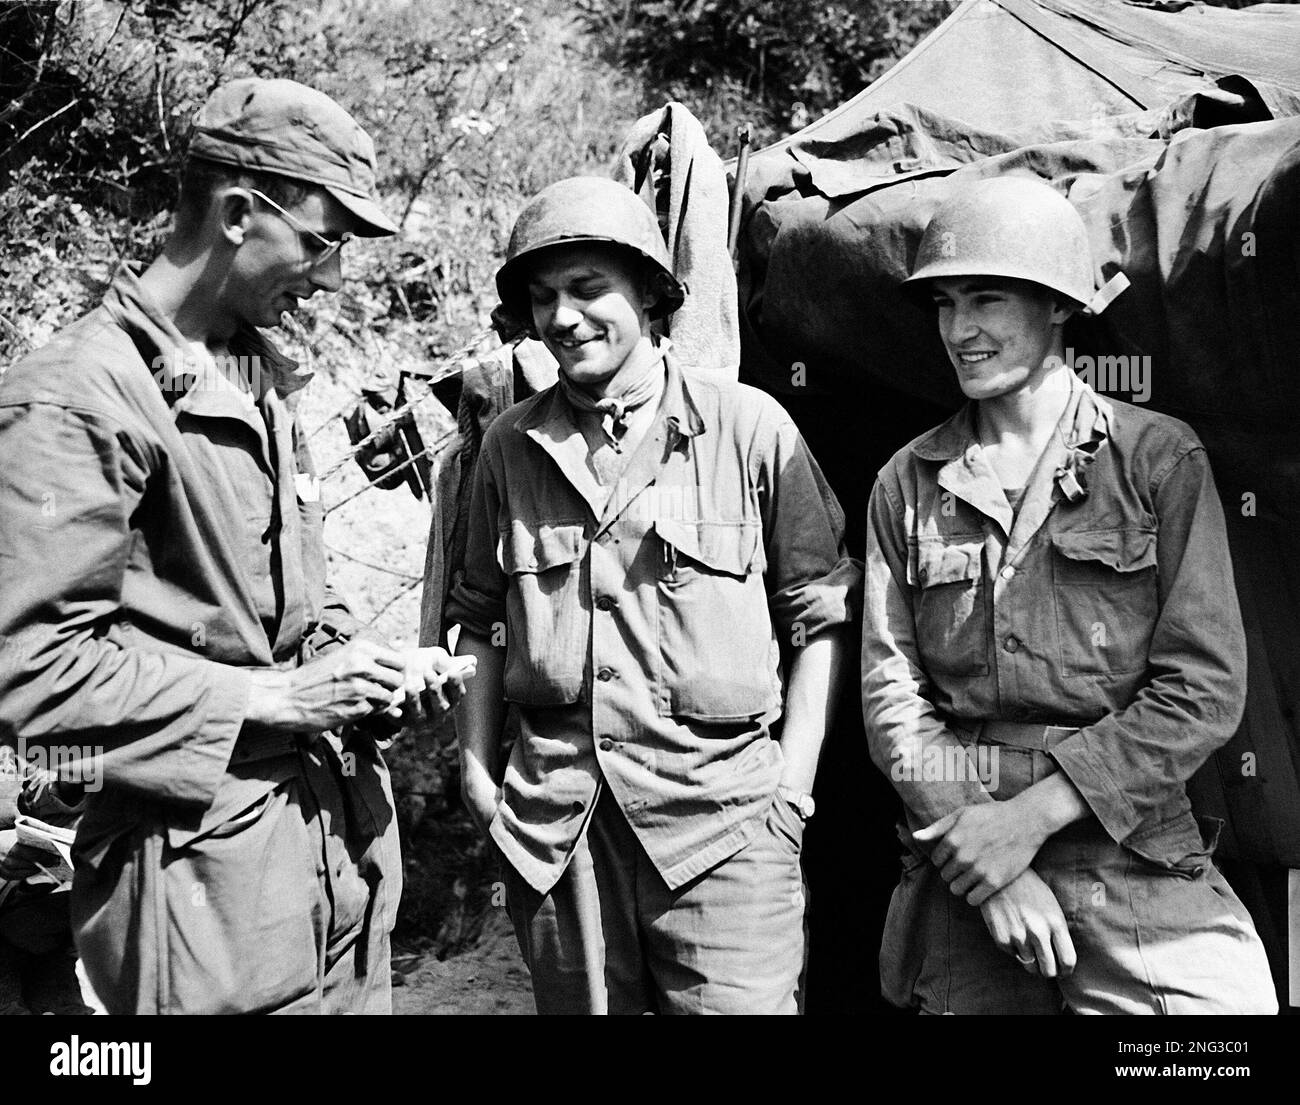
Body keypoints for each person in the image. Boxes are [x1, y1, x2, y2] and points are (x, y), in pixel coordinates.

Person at [0, 77, 472, 1015]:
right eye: (323, 241)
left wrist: (363, 672)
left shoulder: (256, 375)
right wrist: (274, 698)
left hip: (333, 869)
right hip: (197, 900)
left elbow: (293, 610)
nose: (331, 279)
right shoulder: (76, 397)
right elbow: (31, 682)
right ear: (236, 214)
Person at [861, 174, 1277, 1014]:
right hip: (963, 846)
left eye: (986, 298)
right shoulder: (907, 482)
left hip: (1128, 843)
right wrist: (987, 863)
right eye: (945, 304)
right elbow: (891, 696)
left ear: (1058, 305)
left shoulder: (1156, 459)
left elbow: (1202, 687)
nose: (960, 330)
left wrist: (1031, 820)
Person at [447, 176, 859, 1014]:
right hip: (559, 838)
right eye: (543, 298)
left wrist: (793, 787)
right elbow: (478, 620)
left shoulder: (748, 428)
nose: (563, 318)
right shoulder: (509, 447)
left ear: (648, 293)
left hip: (725, 833)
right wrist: (477, 776)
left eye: (588, 289)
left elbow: (820, 611)